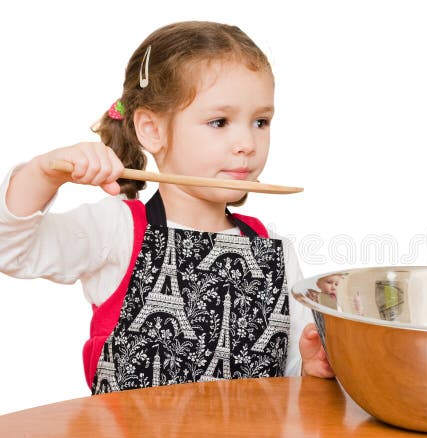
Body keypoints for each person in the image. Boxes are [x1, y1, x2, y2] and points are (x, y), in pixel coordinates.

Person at [0, 21, 332, 394]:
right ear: (151, 130)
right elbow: (10, 250)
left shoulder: (275, 247)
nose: (247, 143)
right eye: (219, 122)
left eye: (260, 122)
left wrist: (308, 369)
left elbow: (286, 382)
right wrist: (43, 173)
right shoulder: (115, 231)